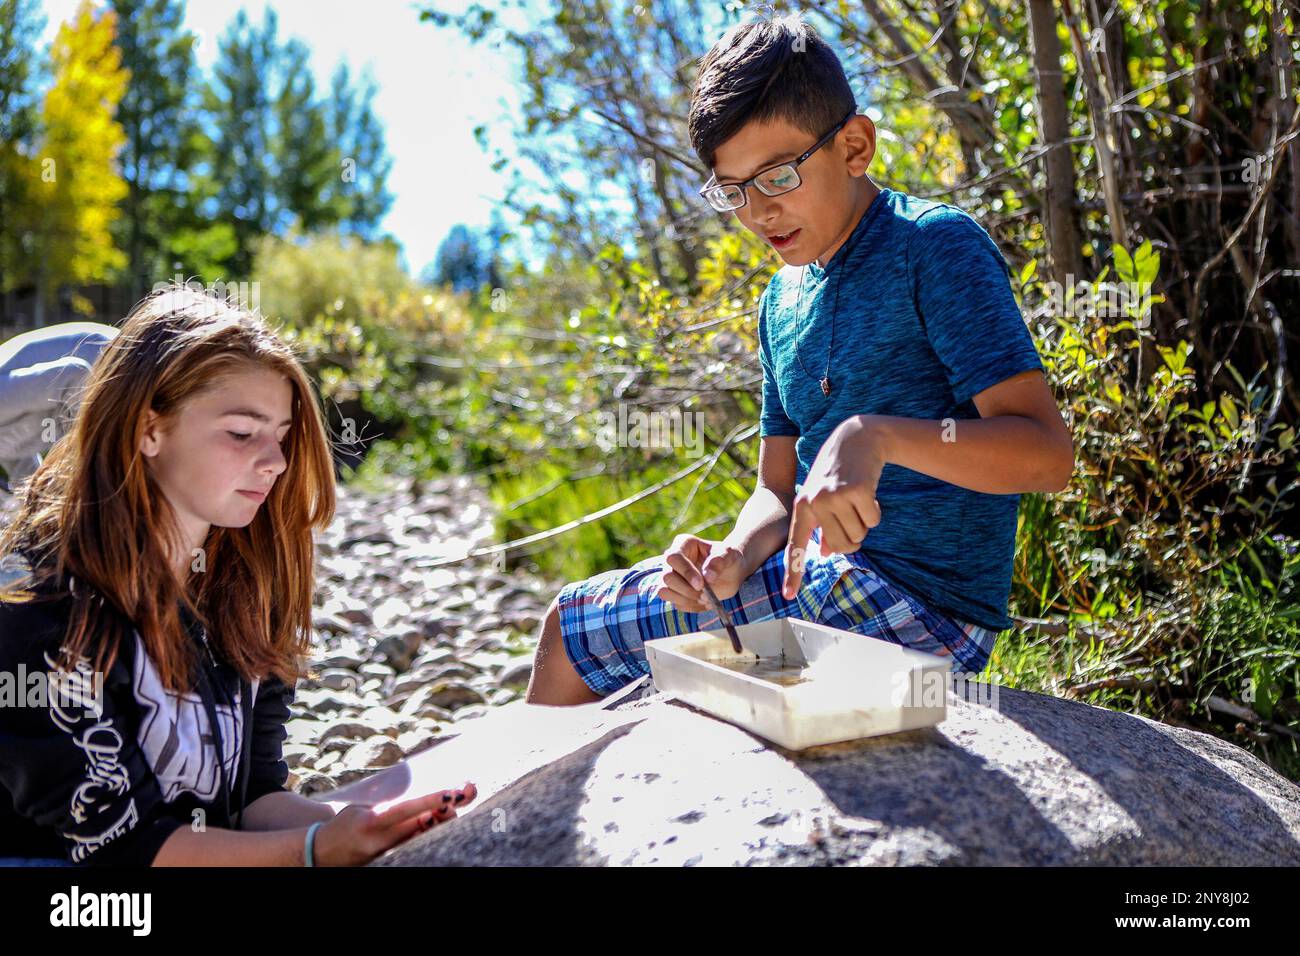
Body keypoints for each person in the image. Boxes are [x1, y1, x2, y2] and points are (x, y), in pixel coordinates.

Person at [527, 13, 1074, 705]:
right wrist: (734, 554)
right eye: (733, 190)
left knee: (610, 660)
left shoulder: (933, 248)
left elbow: (1048, 455)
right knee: (570, 625)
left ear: (855, 145)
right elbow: (776, 492)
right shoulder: (779, 303)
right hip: (812, 581)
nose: (758, 213)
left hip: (923, 613)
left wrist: (875, 437)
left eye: (778, 176)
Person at [0, 286, 476, 866]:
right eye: (242, 432)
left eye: (279, 434)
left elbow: (252, 796)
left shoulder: (247, 586)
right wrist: (313, 851)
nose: (275, 461)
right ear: (148, 429)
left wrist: (372, 828)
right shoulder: (40, 606)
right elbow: (123, 846)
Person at [0, 322, 118, 491]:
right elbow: (26, 477)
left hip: (121, 364)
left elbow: (73, 374)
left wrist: (86, 455)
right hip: (111, 385)